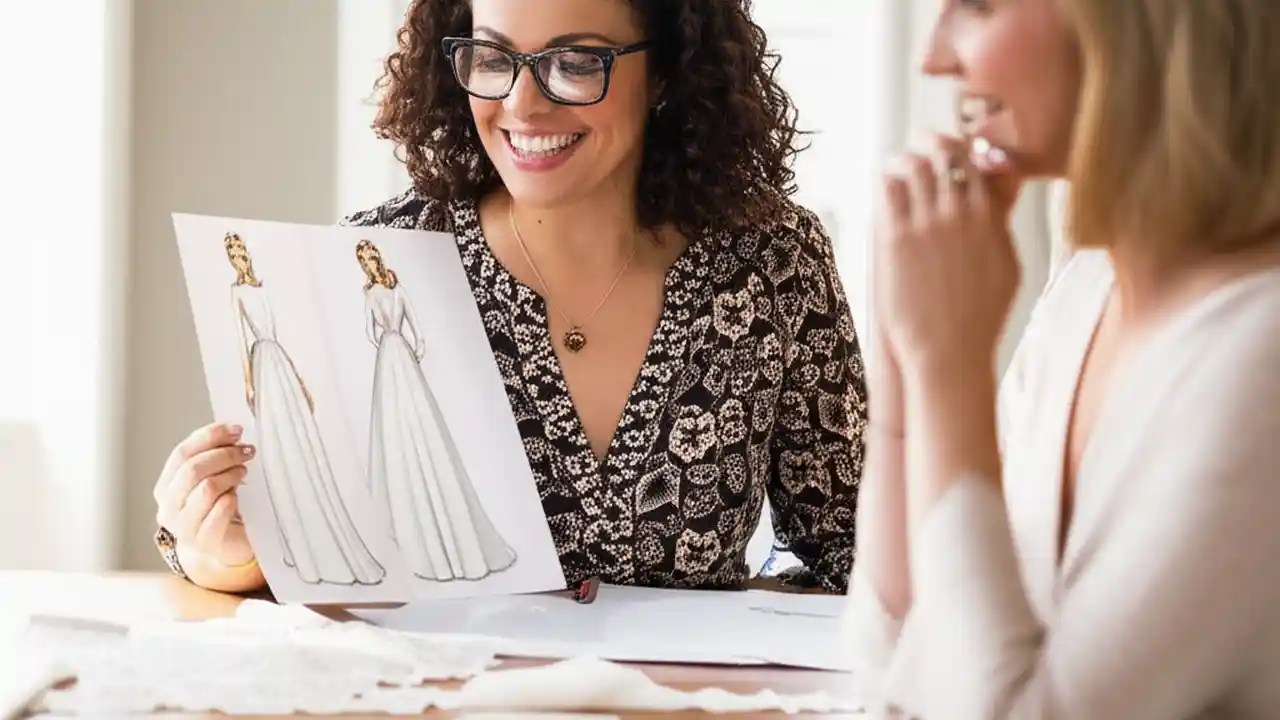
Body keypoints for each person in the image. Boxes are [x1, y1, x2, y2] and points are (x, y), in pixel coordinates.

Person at [152, 0, 867, 595]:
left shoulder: (773, 261)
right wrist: (219, 553)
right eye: (493, 58)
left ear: (666, 72)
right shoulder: (379, 257)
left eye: (576, 61)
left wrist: (743, 622)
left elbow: (852, 556)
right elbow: (318, 563)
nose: (522, 104)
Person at [849, 0, 1280, 717]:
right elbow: (894, 657)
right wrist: (905, 355)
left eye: (977, 7)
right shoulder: (1092, 282)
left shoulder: (1258, 356)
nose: (936, 58)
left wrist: (949, 367)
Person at [356, 239, 518, 582]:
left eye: (372, 257)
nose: (370, 263)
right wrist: (398, 344)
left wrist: (407, 346)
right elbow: (369, 331)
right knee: (396, 426)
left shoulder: (395, 288)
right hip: (390, 355)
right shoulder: (370, 293)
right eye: (365, 260)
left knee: (420, 422)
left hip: (395, 352)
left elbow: (410, 325)